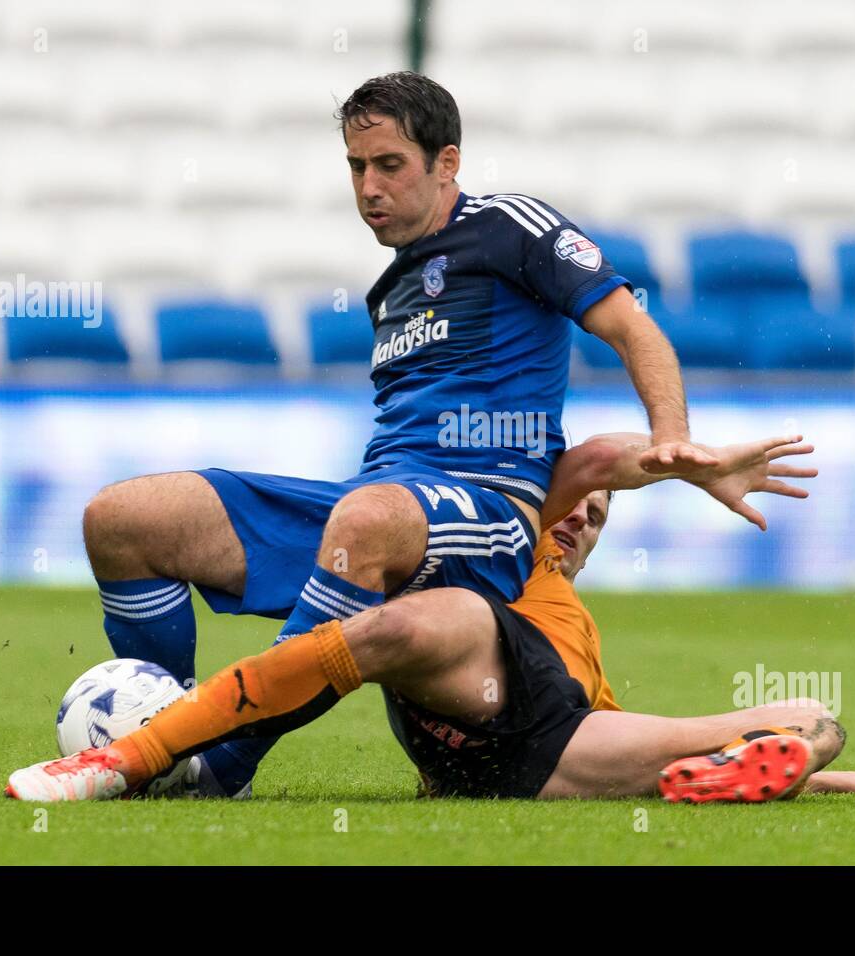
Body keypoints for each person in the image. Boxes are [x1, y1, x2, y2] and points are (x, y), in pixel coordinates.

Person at [82, 72, 706, 796]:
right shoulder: (393, 289)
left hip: (487, 511)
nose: (369, 187)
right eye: (356, 167)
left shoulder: (513, 227)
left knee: (369, 517)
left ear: (447, 163)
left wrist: (674, 436)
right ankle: (170, 715)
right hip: (382, 505)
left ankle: (214, 763)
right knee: (123, 518)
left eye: (389, 165)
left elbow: (630, 325)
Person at [8, 434, 855, 803]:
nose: (579, 516)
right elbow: (596, 456)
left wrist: (800, 772)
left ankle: (780, 767)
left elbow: (619, 726)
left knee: (811, 721)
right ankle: (156, 748)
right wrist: (679, 455)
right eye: (577, 504)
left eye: (594, 518)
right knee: (405, 626)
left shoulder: (571, 613)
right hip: (465, 678)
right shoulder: (509, 537)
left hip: (531, 747)